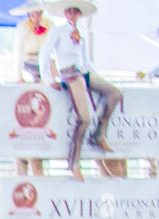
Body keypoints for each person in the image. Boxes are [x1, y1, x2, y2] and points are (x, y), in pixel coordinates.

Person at [40, 1, 121, 181]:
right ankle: (74, 163)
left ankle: (98, 134)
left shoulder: (81, 33)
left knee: (114, 93)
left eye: (75, 12)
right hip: (69, 73)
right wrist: (48, 79)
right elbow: (45, 54)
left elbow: (85, 59)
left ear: (78, 14)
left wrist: (94, 75)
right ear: (65, 14)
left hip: (83, 71)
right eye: (69, 12)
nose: (72, 15)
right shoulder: (58, 31)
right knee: (84, 117)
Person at [12, 1, 54, 177]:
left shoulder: (49, 25)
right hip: (28, 61)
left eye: (38, 12)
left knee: (48, 80)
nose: (36, 16)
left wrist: (50, 76)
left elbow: (51, 51)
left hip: (45, 61)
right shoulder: (23, 28)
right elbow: (18, 52)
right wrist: (18, 77)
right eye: (32, 13)